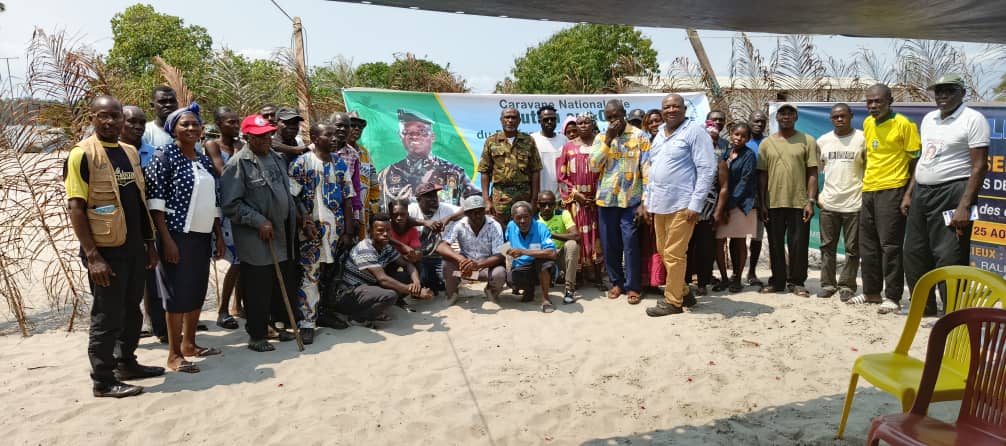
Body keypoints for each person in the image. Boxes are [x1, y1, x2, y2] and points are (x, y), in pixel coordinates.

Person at [65, 95, 162, 397]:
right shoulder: (82, 154)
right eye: (102, 116)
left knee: (131, 310)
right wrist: (93, 256)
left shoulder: (129, 152)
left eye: (115, 116)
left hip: (133, 247)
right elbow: (76, 207)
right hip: (105, 251)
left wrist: (149, 244)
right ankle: (103, 380)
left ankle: (126, 363)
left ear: (122, 117)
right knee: (107, 315)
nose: (110, 122)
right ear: (92, 118)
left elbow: (138, 201)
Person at [144, 103, 225, 373]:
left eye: (195, 124)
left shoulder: (202, 160)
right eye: (184, 124)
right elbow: (156, 204)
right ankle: (174, 354)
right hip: (176, 235)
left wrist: (218, 237)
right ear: (173, 129)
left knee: (196, 292)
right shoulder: (164, 156)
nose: (191, 128)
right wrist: (166, 240)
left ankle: (190, 344)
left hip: (201, 237)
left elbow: (213, 202)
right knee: (177, 296)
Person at [903, 74, 990, 316]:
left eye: (949, 91)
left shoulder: (973, 119)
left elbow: (980, 166)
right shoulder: (930, 118)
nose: (942, 96)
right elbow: (925, 158)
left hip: (954, 193)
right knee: (914, 253)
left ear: (962, 93)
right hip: (923, 192)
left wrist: (964, 206)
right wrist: (910, 193)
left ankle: (952, 313)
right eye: (938, 91)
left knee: (950, 255)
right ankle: (924, 308)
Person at [220, 114, 304, 352]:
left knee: (278, 284)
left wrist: (299, 212)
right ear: (247, 137)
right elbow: (230, 204)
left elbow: (288, 192)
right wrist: (258, 221)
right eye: (260, 136)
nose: (267, 138)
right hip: (256, 237)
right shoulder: (238, 164)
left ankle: (274, 326)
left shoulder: (277, 158)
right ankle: (256, 334)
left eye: (268, 133)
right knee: (258, 287)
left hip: (281, 233)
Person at [641, 93, 717, 317]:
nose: (671, 110)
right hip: (660, 205)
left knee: (674, 254)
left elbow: (707, 169)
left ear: (684, 109)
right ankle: (684, 293)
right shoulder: (660, 135)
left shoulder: (695, 132)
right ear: (662, 110)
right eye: (667, 106)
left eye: (676, 106)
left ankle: (673, 302)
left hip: (683, 204)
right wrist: (647, 200)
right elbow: (653, 170)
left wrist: (696, 203)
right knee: (665, 252)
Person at [850, 84, 920, 312]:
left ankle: (893, 297)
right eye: (869, 101)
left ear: (890, 100)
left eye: (878, 101)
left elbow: (915, 162)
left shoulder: (904, 124)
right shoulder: (868, 124)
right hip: (869, 190)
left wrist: (907, 194)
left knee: (890, 246)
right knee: (867, 245)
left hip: (893, 190)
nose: (873, 106)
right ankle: (871, 293)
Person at [288, 119, 357, 344]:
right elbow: (292, 197)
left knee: (331, 274)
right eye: (329, 135)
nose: (335, 138)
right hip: (310, 233)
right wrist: (303, 220)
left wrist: (347, 231)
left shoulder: (340, 164)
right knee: (310, 275)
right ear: (316, 139)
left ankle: (324, 314)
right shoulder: (301, 163)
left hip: (335, 233)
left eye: (335, 135)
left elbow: (348, 199)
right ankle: (307, 322)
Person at [590, 100, 650, 304]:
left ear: (624, 113)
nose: (613, 120)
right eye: (609, 117)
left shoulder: (640, 136)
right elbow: (594, 166)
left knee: (631, 243)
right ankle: (617, 283)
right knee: (609, 244)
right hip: (607, 200)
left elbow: (647, 170)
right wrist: (608, 140)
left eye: (616, 116)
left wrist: (644, 201)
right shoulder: (601, 137)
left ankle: (633, 286)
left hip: (631, 200)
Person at [757, 103, 819, 296]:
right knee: (775, 244)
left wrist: (810, 201)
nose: (786, 116)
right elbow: (762, 175)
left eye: (790, 113)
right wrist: (763, 202)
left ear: (796, 117)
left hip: (799, 202)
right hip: (773, 202)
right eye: (782, 113)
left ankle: (797, 282)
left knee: (798, 244)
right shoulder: (766, 143)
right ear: (777, 118)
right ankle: (777, 281)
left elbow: (812, 172)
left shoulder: (807, 140)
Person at [332, 214, 433, 326]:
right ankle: (358, 318)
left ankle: (378, 309)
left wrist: (416, 283)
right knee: (390, 295)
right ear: (370, 231)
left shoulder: (386, 247)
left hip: (366, 288)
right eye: (380, 231)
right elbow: (383, 279)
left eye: (388, 230)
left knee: (408, 277)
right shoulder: (365, 248)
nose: (385, 234)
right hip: (348, 294)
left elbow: (407, 264)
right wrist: (417, 292)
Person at [120, 105, 164, 342]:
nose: (137, 127)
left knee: (153, 279)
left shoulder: (155, 154)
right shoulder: (113, 155)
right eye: (131, 122)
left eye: (141, 122)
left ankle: (157, 325)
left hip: (151, 226)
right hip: (121, 229)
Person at [378, 109, 479, 207]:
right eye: (407, 132)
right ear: (401, 137)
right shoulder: (386, 175)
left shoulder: (453, 172)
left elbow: (476, 202)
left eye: (421, 132)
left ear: (433, 137)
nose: (414, 136)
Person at [816, 104, 865, 301]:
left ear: (851, 116)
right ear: (830, 118)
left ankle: (847, 285)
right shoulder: (823, 141)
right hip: (829, 204)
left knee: (853, 249)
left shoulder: (862, 139)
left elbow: (869, 168)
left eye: (843, 116)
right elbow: (816, 171)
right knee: (827, 247)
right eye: (835, 116)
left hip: (855, 203)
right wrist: (818, 198)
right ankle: (828, 284)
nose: (839, 119)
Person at [203, 106, 245, 328]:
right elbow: (224, 171)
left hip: (239, 206)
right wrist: (242, 154)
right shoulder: (212, 145)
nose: (235, 126)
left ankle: (236, 306)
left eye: (237, 121)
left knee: (242, 260)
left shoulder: (241, 145)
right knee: (236, 260)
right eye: (230, 122)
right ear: (219, 124)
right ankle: (222, 310)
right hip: (221, 209)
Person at [556, 112, 606, 291]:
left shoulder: (601, 145)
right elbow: (561, 176)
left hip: (596, 202)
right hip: (576, 203)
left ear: (593, 124)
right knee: (578, 237)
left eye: (587, 122)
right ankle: (577, 277)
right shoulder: (568, 147)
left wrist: (599, 194)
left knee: (597, 237)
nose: (583, 125)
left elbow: (608, 171)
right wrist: (575, 194)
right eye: (580, 123)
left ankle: (598, 276)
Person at [713, 122, 759, 293]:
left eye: (743, 136)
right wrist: (721, 205)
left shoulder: (749, 156)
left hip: (741, 204)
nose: (739, 138)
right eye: (736, 134)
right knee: (719, 241)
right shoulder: (725, 152)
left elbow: (744, 183)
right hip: (722, 204)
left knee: (738, 242)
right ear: (731, 134)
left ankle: (737, 279)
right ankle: (724, 278)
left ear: (748, 138)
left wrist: (728, 205)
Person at [438, 195, 506, 306]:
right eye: (472, 212)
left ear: (484, 211)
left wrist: (477, 265)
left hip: (485, 267)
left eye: (480, 211)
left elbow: (500, 255)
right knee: (447, 264)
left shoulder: (494, 225)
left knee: (500, 273)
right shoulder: (459, 225)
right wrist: (461, 259)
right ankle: (452, 293)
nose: (477, 215)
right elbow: (441, 246)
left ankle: (491, 291)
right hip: (464, 269)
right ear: (466, 213)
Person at [479, 107, 543, 225]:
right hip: (500, 198)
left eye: (513, 118)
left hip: (524, 195)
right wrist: (486, 200)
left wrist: (534, 200)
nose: (510, 120)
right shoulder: (491, 141)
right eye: (507, 117)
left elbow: (535, 170)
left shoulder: (528, 141)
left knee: (524, 230)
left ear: (519, 120)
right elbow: (484, 171)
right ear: (501, 120)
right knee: (500, 230)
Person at [685, 119, 726, 295]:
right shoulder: (688, 158)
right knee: (685, 248)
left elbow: (724, 188)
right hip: (686, 210)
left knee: (705, 249)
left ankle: (702, 283)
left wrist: (718, 212)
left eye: (712, 138)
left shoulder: (719, 161)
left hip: (707, 213)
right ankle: (684, 282)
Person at [409, 182, 462, 296]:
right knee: (421, 279)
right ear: (419, 200)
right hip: (419, 259)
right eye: (428, 196)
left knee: (451, 277)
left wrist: (448, 218)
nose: (434, 199)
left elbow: (466, 210)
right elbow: (400, 218)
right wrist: (424, 222)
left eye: (435, 195)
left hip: (440, 257)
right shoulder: (412, 209)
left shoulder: (445, 208)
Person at [505, 201, 559, 313]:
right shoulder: (510, 227)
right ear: (513, 219)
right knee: (510, 279)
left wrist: (523, 252)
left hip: (540, 266)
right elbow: (506, 245)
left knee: (544, 263)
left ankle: (545, 299)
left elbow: (552, 253)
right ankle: (529, 290)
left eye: (526, 217)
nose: (523, 221)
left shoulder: (541, 227)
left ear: (531, 216)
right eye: (518, 218)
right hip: (522, 266)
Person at [537, 190, 580, 304]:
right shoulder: (533, 220)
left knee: (572, 244)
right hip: (544, 257)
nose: (547, 208)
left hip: (560, 255)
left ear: (555, 205)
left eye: (550, 204)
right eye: (543, 204)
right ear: (538, 205)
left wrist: (551, 235)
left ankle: (569, 289)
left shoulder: (563, 214)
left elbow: (576, 236)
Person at [347, 111, 382, 237]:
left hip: (363, 212)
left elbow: (373, 182)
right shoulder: (335, 151)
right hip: (344, 211)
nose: (357, 128)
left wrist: (374, 208)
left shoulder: (364, 152)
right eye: (353, 124)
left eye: (360, 126)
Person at [746, 111, 769, 287]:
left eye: (762, 122)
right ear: (749, 121)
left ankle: (752, 272)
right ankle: (736, 272)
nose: (759, 124)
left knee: (757, 237)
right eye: (756, 121)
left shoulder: (769, 143)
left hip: (764, 197)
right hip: (742, 196)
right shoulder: (741, 140)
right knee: (737, 237)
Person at [530, 105, 567, 195]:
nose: (549, 122)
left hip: (561, 197)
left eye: (552, 119)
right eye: (546, 120)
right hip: (539, 197)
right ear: (539, 121)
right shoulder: (532, 139)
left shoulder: (564, 140)